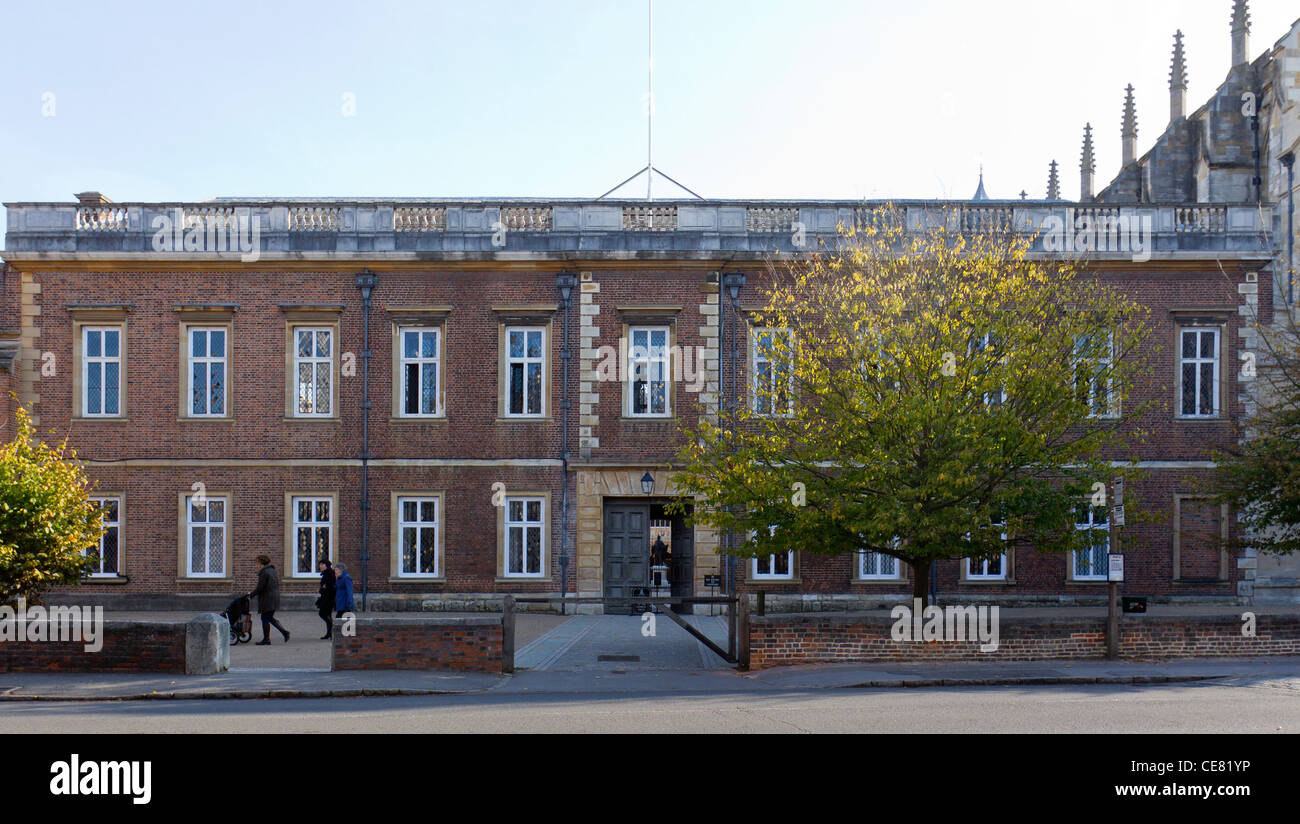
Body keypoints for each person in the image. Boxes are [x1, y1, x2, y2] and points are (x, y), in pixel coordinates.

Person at [248, 554, 289, 645]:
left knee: (265, 618)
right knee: (269, 617)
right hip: (274, 597)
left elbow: (260, 588)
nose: (256, 565)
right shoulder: (272, 571)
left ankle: (267, 639)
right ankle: (284, 632)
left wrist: (250, 595)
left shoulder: (264, 573)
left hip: (268, 598)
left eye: (257, 563)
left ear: (261, 563)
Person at [317, 559, 337, 639]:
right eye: (320, 564)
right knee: (327, 614)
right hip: (326, 597)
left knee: (323, 613)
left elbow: (328, 586)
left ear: (326, 565)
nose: (320, 566)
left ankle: (333, 629)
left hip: (329, 597)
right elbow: (324, 586)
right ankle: (329, 633)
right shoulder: (326, 573)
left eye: (322, 564)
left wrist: (323, 588)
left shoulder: (329, 573)